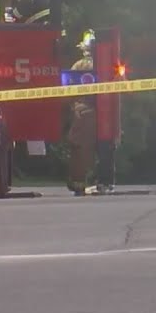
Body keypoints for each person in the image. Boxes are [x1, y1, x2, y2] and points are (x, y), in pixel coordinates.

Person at [66, 31, 98, 196]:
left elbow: (67, 90)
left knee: (78, 148)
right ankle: (88, 180)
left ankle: (79, 182)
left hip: (82, 112)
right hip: (96, 113)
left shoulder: (78, 66)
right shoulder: (107, 65)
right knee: (86, 149)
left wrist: (74, 107)